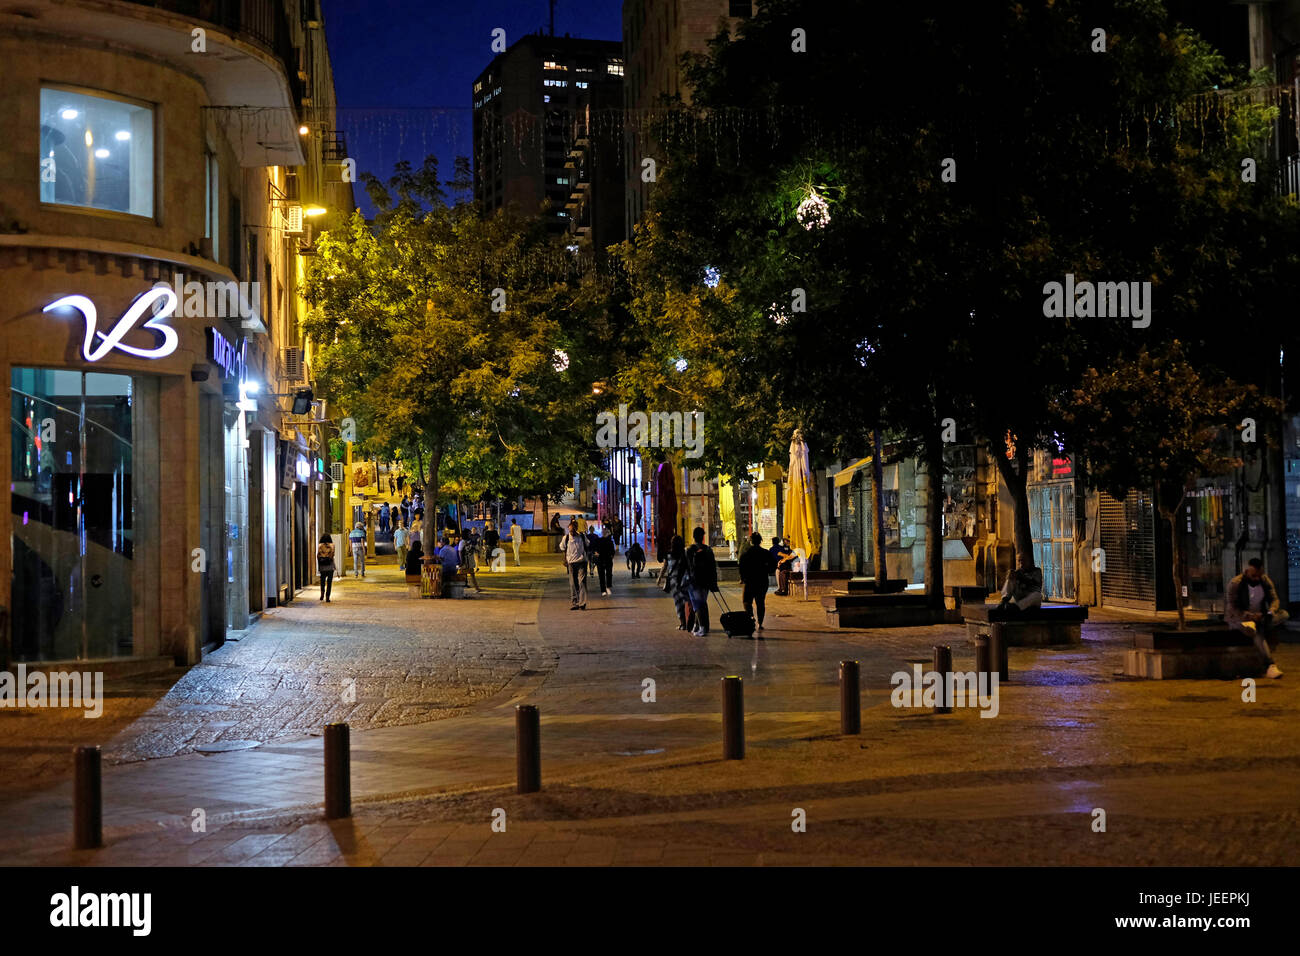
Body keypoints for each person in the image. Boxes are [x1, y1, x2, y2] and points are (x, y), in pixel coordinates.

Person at [1225, 558, 1286, 679]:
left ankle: (1261, 624)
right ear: (1246, 571)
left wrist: (1270, 612)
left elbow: (1274, 599)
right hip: (1240, 618)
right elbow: (1233, 608)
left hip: (1260, 616)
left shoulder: (1264, 580)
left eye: (1259, 575)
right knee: (1256, 630)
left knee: (1284, 614)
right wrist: (1250, 616)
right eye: (1253, 576)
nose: (1256, 579)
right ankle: (1270, 665)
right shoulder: (1235, 583)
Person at [738, 531, 775, 632]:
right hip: (762, 581)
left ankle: (751, 617)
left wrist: (743, 577)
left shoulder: (746, 554)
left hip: (749, 581)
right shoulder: (766, 553)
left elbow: (741, 567)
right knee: (760, 602)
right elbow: (773, 566)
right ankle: (760, 623)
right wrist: (766, 571)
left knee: (747, 601)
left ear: (751, 541)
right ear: (760, 541)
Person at [685, 526, 719, 637]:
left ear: (693, 536)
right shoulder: (708, 550)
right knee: (702, 603)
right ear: (703, 537)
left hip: (694, 582)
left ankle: (702, 627)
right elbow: (713, 567)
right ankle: (697, 625)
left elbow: (686, 567)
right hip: (706, 581)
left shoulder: (689, 550)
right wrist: (714, 582)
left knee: (697, 605)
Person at [657, 534, 692, 631]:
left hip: (674, 581)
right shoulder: (684, 553)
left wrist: (660, 578)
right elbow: (689, 567)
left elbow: (664, 567)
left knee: (678, 603)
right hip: (684, 580)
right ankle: (691, 622)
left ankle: (682, 624)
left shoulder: (668, 554)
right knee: (688, 601)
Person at [561, 519, 590, 610]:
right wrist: (565, 559)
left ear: (576, 529)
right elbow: (562, 548)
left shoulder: (582, 536)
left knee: (582, 582)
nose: (571, 532)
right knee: (573, 583)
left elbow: (588, 544)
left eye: (573, 530)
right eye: (570, 531)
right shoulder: (566, 538)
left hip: (582, 562)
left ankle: (582, 603)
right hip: (571, 563)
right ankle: (575, 603)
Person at [595, 525, 615, 595]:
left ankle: (603, 590)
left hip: (600, 560)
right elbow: (613, 552)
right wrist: (611, 557)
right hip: (607, 560)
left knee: (601, 575)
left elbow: (596, 551)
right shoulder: (610, 542)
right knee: (608, 574)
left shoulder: (598, 541)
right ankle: (608, 587)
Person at [317, 534, 336, 602]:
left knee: (322, 581)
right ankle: (327, 597)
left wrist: (320, 565)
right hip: (330, 566)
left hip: (322, 566)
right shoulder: (332, 545)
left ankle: (322, 594)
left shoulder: (319, 545)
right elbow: (332, 555)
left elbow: (318, 556)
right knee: (329, 582)